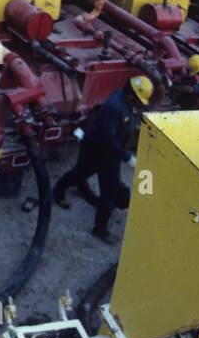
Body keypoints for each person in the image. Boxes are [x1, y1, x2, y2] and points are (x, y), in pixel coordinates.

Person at [53, 75, 153, 242]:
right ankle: (100, 229)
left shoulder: (124, 99)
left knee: (81, 172)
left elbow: (125, 122)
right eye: (138, 100)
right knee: (106, 192)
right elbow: (109, 138)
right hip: (99, 150)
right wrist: (127, 157)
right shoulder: (114, 107)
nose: (138, 104)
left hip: (107, 150)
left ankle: (60, 189)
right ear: (131, 95)